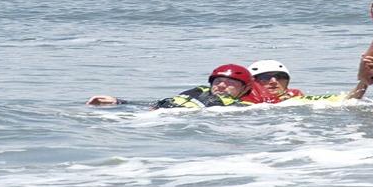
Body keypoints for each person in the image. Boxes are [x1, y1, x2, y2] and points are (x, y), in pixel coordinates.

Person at [86, 64, 258, 108]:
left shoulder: (240, 106)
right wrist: (119, 102)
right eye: (218, 81)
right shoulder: (199, 92)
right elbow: (161, 104)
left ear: (244, 89)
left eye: (230, 83)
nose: (221, 85)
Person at [247, 59, 368, 102]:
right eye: (265, 78)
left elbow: (348, 99)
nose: (273, 81)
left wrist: (364, 81)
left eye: (279, 77)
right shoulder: (241, 101)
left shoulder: (294, 98)